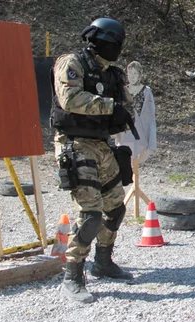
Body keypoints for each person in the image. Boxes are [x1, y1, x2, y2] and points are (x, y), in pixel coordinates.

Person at [50, 18, 138, 303]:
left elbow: (127, 107)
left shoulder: (113, 74)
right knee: (90, 215)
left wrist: (122, 114)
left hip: (102, 144)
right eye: (115, 44)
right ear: (100, 40)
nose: (118, 50)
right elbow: (70, 99)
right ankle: (73, 276)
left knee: (115, 207)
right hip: (75, 144)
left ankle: (103, 261)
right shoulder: (71, 63)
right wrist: (111, 107)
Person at [114, 60, 157, 164]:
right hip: (125, 129)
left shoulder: (146, 91)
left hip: (140, 129)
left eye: (135, 73)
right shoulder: (124, 90)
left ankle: (135, 176)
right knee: (126, 154)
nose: (132, 76)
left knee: (137, 154)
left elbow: (149, 112)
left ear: (140, 75)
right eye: (130, 74)